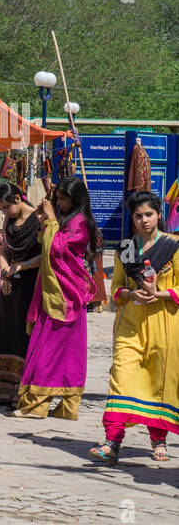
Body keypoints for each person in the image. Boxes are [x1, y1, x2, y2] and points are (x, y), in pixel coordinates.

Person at [92, 190, 179, 464]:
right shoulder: (125, 249)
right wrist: (131, 294)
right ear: (132, 218)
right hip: (130, 324)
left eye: (149, 214)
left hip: (164, 325)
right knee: (121, 376)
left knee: (158, 380)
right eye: (138, 215)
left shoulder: (174, 246)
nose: (144, 220)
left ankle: (159, 439)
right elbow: (116, 289)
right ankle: (112, 441)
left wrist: (160, 294)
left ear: (158, 215)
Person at [14, 177, 98, 419]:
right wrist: (45, 222)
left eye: (63, 199)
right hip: (54, 289)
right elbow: (48, 243)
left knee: (50, 348)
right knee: (55, 347)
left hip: (66, 293)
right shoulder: (67, 219)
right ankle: (58, 406)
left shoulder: (80, 222)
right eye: (57, 198)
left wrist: (50, 221)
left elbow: (57, 249)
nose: (58, 203)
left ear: (76, 199)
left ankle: (38, 405)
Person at [0, 183, 41, 409]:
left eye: (6, 207)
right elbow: (4, 251)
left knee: (23, 336)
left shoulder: (39, 219)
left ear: (18, 199)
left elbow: (45, 255)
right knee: (6, 333)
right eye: (1, 209)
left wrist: (21, 267)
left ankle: (22, 393)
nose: (5, 212)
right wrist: (5, 275)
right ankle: (6, 393)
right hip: (11, 284)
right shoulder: (9, 220)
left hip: (31, 284)